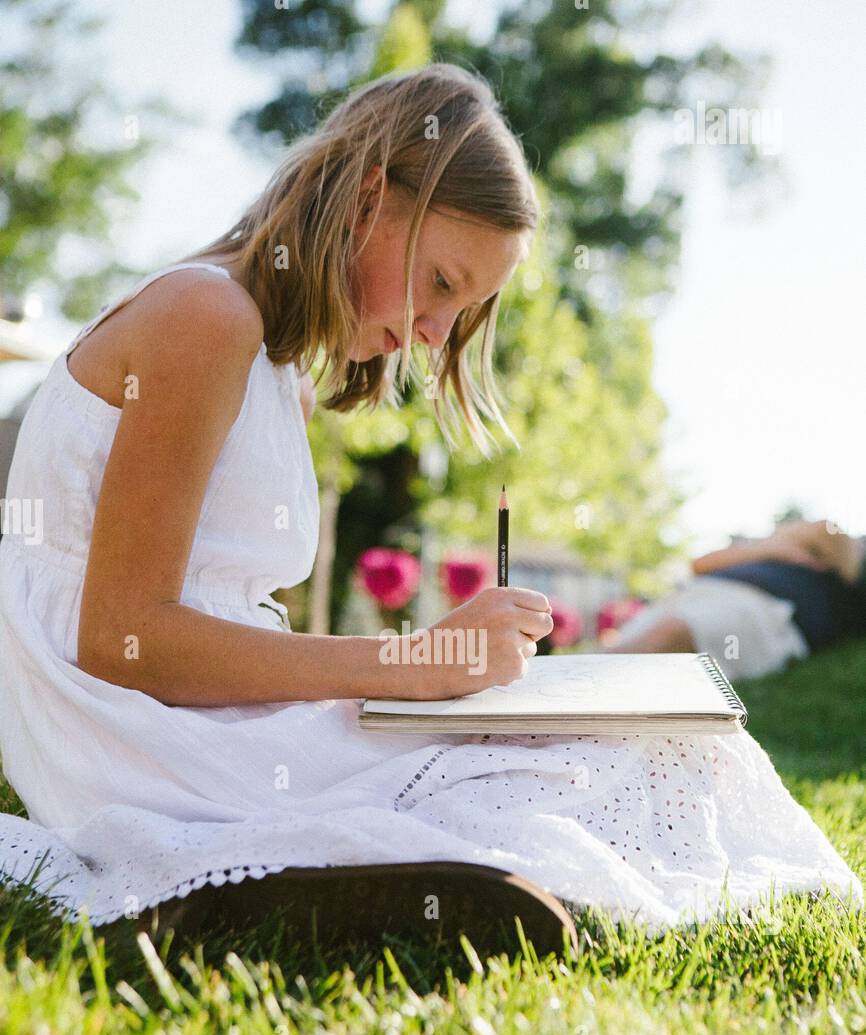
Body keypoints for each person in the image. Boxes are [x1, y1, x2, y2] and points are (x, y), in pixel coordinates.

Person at [0, 64, 860, 932]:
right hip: (131, 737)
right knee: (591, 769)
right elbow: (122, 643)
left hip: (193, 718)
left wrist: (425, 679)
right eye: (443, 284)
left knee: (662, 746)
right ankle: (300, 878)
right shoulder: (204, 315)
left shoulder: (275, 364)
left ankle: (344, 873)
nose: (433, 334)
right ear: (367, 198)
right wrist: (410, 667)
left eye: (464, 309)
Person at [607, 518, 866, 680]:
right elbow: (699, 564)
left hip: (762, 607)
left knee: (671, 634)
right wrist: (771, 547)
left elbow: (827, 532)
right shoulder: (770, 551)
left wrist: (779, 545)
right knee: (607, 653)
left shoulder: (840, 558)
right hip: (697, 592)